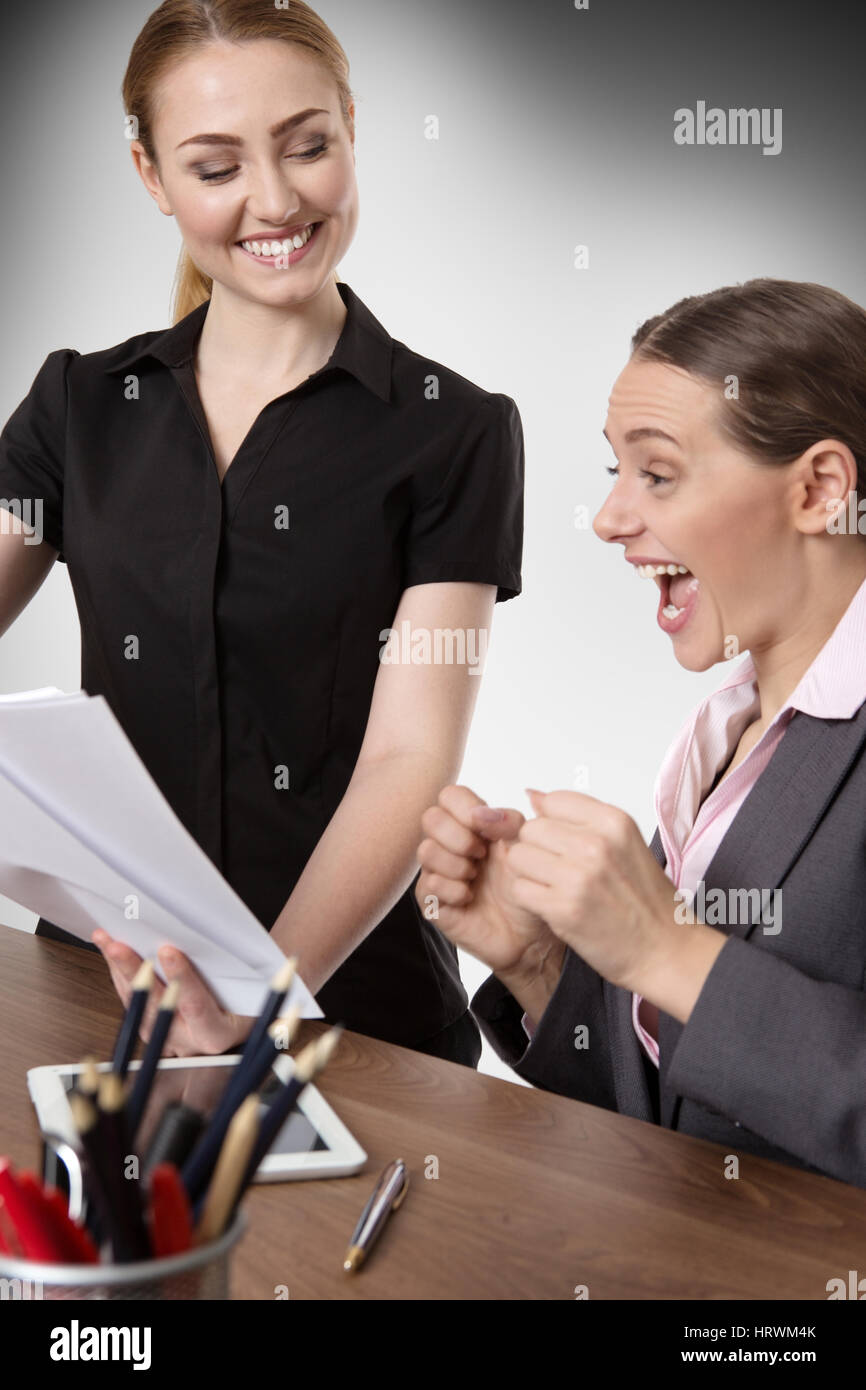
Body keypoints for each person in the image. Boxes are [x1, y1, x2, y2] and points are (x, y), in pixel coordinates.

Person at [0, 0, 524, 1068]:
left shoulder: (454, 429)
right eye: (215, 165)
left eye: (307, 147)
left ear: (348, 137)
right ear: (151, 178)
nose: (275, 200)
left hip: (347, 1018)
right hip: (96, 989)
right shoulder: (77, 406)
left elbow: (409, 754)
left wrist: (256, 1001)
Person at [416, 278, 866, 1189]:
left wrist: (667, 947)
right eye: (615, 472)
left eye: (656, 473)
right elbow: (676, 1118)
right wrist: (545, 963)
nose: (612, 519)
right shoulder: (730, 733)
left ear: (819, 489)